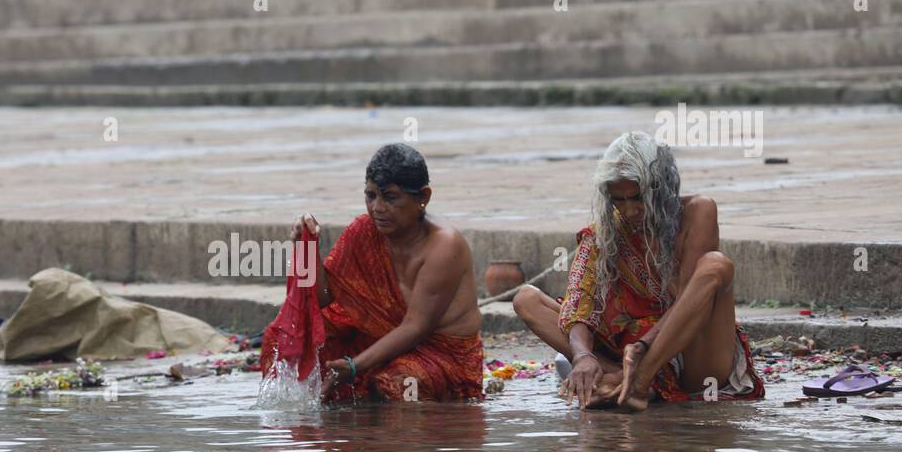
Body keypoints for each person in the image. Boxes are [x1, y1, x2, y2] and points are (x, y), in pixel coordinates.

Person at [513, 131, 764, 412]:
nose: (629, 210)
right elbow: (578, 302)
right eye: (618, 201)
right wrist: (583, 356)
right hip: (627, 355)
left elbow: (688, 305)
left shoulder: (697, 211)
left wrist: (644, 349)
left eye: (637, 198)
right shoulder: (606, 230)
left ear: (662, 187)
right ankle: (618, 380)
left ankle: (641, 381)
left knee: (716, 264)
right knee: (526, 298)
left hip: (692, 353)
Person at [260, 143, 485, 402]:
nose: (377, 208)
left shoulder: (444, 245)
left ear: (423, 197)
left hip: (441, 355)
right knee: (280, 339)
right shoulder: (364, 231)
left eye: (390, 197)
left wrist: (355, 365)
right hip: (377, 341)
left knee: (398, 384)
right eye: (371, 196)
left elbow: (416, 327)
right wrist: (306, 248)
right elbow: (323, 297)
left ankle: (411, 440)